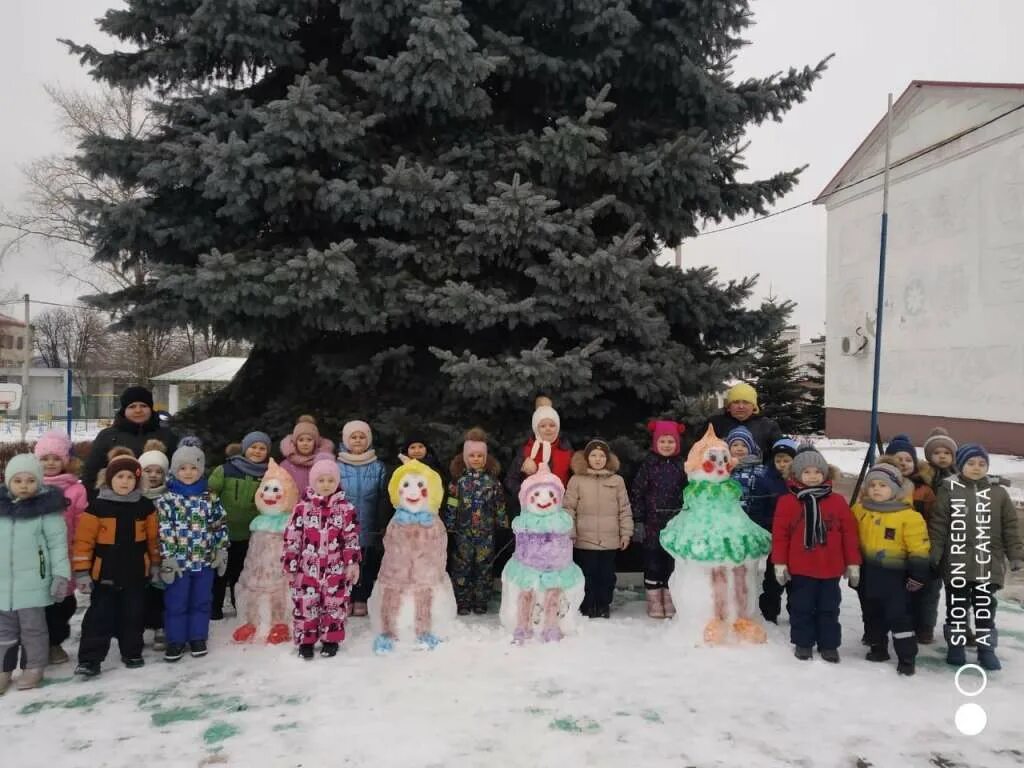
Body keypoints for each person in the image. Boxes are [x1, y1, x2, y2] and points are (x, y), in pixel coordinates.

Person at [929, 443, 1024, 671]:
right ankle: (956, 646)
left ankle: (986, 649)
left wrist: (1015, 555)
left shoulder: (998, 493)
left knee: (985, 608)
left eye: (982, 463)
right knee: (958, 607)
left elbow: (1010, 526)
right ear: (960, 465)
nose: (976, 467)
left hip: (987, 563)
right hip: (957, 562)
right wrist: (934, 555)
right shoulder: (949, 489)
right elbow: (939, 525)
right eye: (971, 463)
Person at [73, 449, 158, 677]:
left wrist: (157, 565)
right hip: (104, 574)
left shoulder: (144, 507)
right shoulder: (97, 507)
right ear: (110, 479)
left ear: (137, 481)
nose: (125, 481)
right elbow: (83, 542)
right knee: (99, 617)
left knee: (133, 615)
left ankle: (131, 651)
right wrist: (81, 572)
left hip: (136, 573)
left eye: (130, 477)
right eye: (120, 476)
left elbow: (153, 539)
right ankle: (90, 659)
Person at [771, 447, 861, 663]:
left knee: (829, 608)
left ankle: (829, 645)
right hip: (801, 567)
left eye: (818, 472)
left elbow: (849, 533)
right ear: (796, 475)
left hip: (830, 568)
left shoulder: (837, 501)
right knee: (801, 607)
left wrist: (853, 563)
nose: (813, 476)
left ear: (825, 474)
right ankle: (803, 643)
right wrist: (779, 562)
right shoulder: (787, 502)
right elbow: (780, 535)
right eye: (807, 472)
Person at [851, 462, 930, 676]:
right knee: (871, 613)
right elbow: (850, 539)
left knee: (898, 616)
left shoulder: (909, 517)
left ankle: (906, 657)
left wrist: (918, 575)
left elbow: (919, 549)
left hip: (895, 577)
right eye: (873, 485)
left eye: (883, 485)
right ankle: (878, 648)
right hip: (867, 573)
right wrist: (851, 567)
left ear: (895, 489)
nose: (876, 489)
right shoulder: (860, 510)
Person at [0, 455, 70, 692]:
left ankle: (34, 666)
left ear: (39, 482)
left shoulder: (47, 512)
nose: (24, 485)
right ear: (8, 481)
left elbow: (58, 545)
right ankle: (3, 669)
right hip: (3, 586)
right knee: (3, 632)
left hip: (33, 583)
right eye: (18, 480)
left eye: (30, 480)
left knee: (33, 629)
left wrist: (60, 575)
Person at [156, 442, 229, 663]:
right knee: (177, 602)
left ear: (201, 469)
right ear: (175, 471)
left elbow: (219, 524)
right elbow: (164, 529)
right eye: (183, 468)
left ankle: (198, 637)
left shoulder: (210, 498)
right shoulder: (167, 500)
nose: (188, 473)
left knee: (201, 600)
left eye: (194, 468)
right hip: (179, 563)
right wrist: (168, 556)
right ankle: (175, 640)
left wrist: (221, 549)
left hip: (204, 562)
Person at [282, 459, 361, 659]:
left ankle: (331, 639)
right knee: (306, 605)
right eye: (321, 480)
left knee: (334, 605)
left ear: (337, 482)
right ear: (312, 482)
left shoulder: (346, 509)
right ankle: (306, 641)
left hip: (336, 569)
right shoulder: (302, 508)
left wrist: (352, 563)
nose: (326, 484)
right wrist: (290, 564)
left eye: (330, 480)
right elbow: (292, 537)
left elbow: (351, 538)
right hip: (306, 570)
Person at [34, 429, 87, 665]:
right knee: (36, 604)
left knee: (62, 603)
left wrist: (80, 555)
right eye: (44, 459)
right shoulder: (28, 484)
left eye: (56, 458)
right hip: (33, 559)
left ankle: (55, 642)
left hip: (64, 556)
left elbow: (80, 523)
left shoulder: (75, 489)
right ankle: (37, 645)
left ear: (66, 460)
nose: (50, 463)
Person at [564, 439, 632, 618]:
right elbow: (568, 508)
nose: (598, 459)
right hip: (584, 540)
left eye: (602, 455)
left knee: (606, 576)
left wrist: (626, 533)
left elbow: (624, 509)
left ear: (607, 459)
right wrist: (570, 531)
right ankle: (587, 606)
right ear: (587, 459)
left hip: (610, 541)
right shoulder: (576, 480)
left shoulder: (617, 481)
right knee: (587, 575)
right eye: (593, 455)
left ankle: (603, 605)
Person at [444, 428, 508, 615]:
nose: (476, 459)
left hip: (485, 534)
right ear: (465, 457)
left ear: (485, 458)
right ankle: (462, 601)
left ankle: (480, 600)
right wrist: (449, 524)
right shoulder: (458, 483)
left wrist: (503, 523)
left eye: (480, 455)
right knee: (462, 567)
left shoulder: (492, 483)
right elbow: (452, 504)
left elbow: (500, 504)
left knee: (484, 567)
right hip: (463, 533)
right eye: (472, 455)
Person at [208, 431, 271, 620]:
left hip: (249, 534)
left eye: (262, 448)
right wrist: (213, 516)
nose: (257, 451)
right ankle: (215, 607)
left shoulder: (268, 474)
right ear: (245, 449)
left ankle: (239, 605)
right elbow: (211, 492)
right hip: (223, 533)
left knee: (241, 572)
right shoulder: (226, 469)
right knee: (220, 572)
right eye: (253, 447)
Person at [884, 434, 939, 644]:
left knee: (924, 591)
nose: (904, 463)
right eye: (898, 459)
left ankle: (924, 626)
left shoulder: (924, 489)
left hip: (918, 548)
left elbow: (933, 519)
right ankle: (897, 624)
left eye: (908, 459)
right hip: (892, 549)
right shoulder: (882, 485)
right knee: (898, 591)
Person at [630, 420, 686, 619]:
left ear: (677, 444)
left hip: (676, 523)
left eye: (671, 441)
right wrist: (638, 521)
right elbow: (637, 493)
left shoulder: (682, 466)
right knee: (653, 563)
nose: (667, 445)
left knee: (671, 562)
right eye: (663, 441)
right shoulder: (648, 465)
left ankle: (670, 600)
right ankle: (654, 601)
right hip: (652, 523)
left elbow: (689, 491)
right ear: (655, 443)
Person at [81, 386, 179, 496]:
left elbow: (178, 471)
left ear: (151, 408)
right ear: (124, 410)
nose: (138, 410)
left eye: (143, 405)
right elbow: (91, 474)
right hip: (117, 502)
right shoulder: (107, 436)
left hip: (161, 501)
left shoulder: (167, 435)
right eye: (132, 406)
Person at [337, 420, 390, 618]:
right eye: (353, 437)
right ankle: (346, 598)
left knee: (367, 563)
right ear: (346, 440)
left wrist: (381, 522)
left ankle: (362, 598)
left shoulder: (377, 467)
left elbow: (383, 496)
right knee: (344, 563)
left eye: (362, 437)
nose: (358, 440)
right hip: (343, 526)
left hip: (369, 523)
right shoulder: (337, 465)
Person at [757, 437, 799, 623]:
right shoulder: (767, 480)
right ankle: (769, 613)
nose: (782, 464)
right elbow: (762, 507)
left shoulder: (802, 480)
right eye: (778, 460)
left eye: (786, 460)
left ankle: (796, 611)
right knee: (773, 578)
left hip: (798, 539)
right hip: (776, 537)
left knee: (796, 580)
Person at [138, 441, 170, 651]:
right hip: (138, 552)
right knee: (140, 592)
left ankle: (160, 626)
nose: (153, 475)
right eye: (148, 471)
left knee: (160, 590)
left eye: (158, 471)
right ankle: (137, 627)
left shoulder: (168, 497)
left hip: (162, 551)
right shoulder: (134, 496)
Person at [703, 382, 782, 462]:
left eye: (746, 402)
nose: (741, 406)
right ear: (729, 406)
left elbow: (779, 456)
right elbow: (699, 451)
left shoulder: (768, 426)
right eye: (736, 402)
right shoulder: (714, 424)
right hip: (720, 472)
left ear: (754, 406)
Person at [505, 401, 573, 493]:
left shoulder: (567, 451)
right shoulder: (526, 451)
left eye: (552, 425)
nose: (548, 429)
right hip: (531, 505)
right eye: (543, 426)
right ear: (536, 428)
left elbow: (574, 481)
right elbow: (510, 479)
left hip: (559, 504)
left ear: (557, 427)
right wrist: (525, 494)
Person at [279, 416, 334, 493]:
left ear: (315, 442)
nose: (305, 443)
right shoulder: (285, 465)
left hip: (318, 504)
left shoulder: (324, 463)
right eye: (301, 440)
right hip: (293, 504)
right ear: (295, 442)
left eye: (309, 440)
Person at [923, 427, 958, 494]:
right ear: (929, 456)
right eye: (936, 453)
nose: (942, 456)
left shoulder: (958, 472)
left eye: (947, 453)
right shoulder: (926, 473)